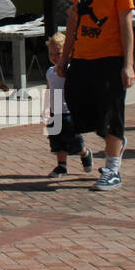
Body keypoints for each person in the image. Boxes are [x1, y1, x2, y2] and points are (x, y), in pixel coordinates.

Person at [56, 0, 135, 191]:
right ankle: (114, 140)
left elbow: (126, 23)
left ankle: (112, 168)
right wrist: (64, 56)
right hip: (82, 57)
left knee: (112, 115)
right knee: (78, 108)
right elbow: (74, 18)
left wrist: (128, 64)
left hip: (110, 58)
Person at [44, 32, 93, 177]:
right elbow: (49, 90)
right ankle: (61, 166)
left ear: (68, 52)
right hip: (55, 112)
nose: (54, 57)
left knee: (74, 140)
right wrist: (46, 108)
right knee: (56, 140)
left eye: (58, 53)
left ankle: (85, 152)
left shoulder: (71, 70)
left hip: (69, 112)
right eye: (51, 53)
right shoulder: (49, 72)